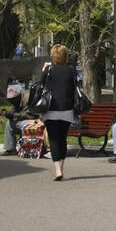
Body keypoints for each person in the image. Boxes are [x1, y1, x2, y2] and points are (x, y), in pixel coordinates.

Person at [37, 45, 80, 181]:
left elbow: (40, 85)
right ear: (66, 55)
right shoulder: (71, 70)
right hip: (67, 109)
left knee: (54, 139)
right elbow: (76, 86)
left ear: (53, 56)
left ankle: (57, 170)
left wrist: (44, 70)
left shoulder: (49, 70)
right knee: (62, 138)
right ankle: (61, 168)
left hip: (51, 110)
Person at [0, 85, 39, 154]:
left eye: (13, 99)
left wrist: (12, 115)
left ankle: (26, 147)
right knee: (9, 123)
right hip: (26, 120)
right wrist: (7, 114)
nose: (11, 101)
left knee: (22, 124)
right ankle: (11, 149)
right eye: (9, 99)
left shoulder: (28, 98)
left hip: (35, 121)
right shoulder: (16, 100)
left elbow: (29, 115)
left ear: (19, 95)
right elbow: (15, 112)